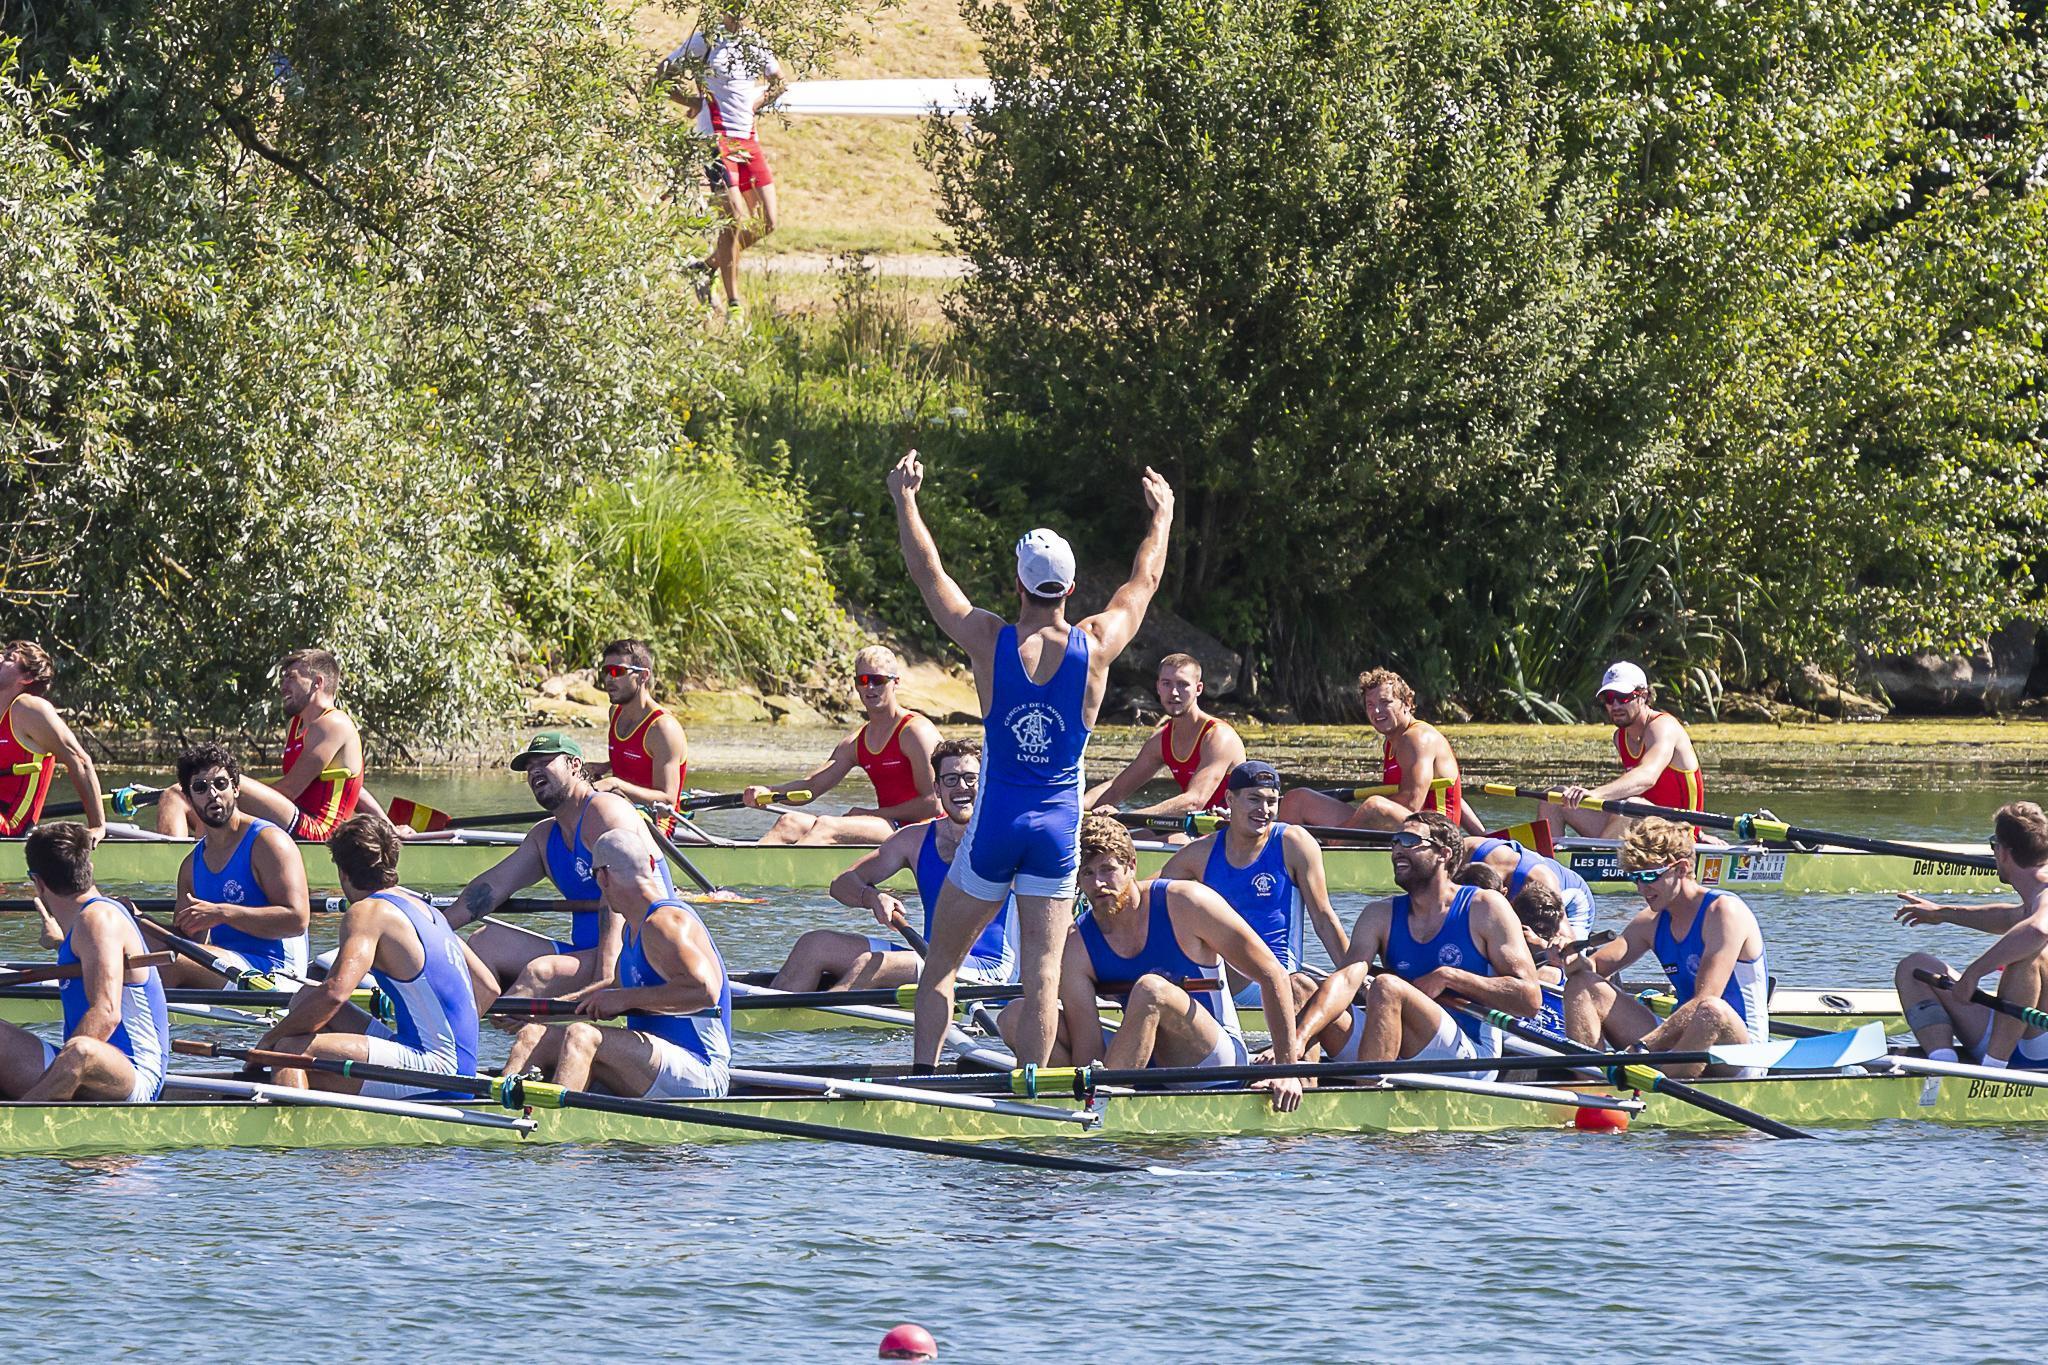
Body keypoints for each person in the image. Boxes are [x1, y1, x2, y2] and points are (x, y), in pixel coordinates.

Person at [889, 449, 1173, 1070]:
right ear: (1071, 589)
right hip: (1055, 833)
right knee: (1042, 976)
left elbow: (927, 573)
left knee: (941, 966)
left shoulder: (989, 639)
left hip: (996, 826)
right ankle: (1033, 1090)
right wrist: (1163, 518)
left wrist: (906, 500)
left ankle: (922, 1082)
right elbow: (1144, 582)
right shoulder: (1096, 644)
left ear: (1018, 584)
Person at [1004, 816, 1302, 1109]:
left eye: (1108, 870)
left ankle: (1103, 1107)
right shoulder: (1077, 944)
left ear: (1132, 866)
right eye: (1088, 873)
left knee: (1151, 990)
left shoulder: (1187, 902)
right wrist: (1083, 1082)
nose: (1098, 884)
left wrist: (1286, 1071)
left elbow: (1272, 974)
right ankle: (1083, 1108)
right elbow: (1087, 1049)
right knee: (1016, 1015)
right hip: (1143, 1063)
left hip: (1214, 1062)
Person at [1292, 812, 1541, 1081]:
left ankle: (1365, 1094)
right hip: (1396, 1040)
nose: (1397, 849)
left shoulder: (1486, 907)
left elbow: (1529, 1000)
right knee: (1300, 986)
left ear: (1443, 853)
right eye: (1395, 841)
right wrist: (1298, 1038)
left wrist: (1450, 977)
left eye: (1409, 841)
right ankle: (1296, 1080)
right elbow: (1347, 979)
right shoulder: (1379, 914)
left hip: (1469, 1055)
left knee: (1387, 987)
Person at [257, 814, 485, 1099]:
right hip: (458, 1067)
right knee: (306, 997)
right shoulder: (427, 911)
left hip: (437, 1070)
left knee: (288, 1051)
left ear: (342, 871)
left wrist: (268, 1041)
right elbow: (488, 986)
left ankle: (288, 1138)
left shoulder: (367, 912)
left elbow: (335, 994)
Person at [501, 827, 732, 1099]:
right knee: (534, 1035)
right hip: (657, 1064)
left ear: (603, 876)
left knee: (581, 1036)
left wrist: (624, 999)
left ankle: (555, 1133)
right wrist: (537, 1012)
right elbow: (608, 994)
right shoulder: (632, 928)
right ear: (647, 864)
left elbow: (704, 992)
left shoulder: (665, 924)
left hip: (701, 1068)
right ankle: (499, 1113)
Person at [770, 739, 1016, 992]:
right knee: (814, 945)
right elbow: (842, 884)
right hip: (930, 955)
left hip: (991, 969)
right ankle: (772, 1026)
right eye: (951, 779)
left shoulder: (1011, 840)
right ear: (938, 789)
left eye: (970, 778)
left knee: (873, 964)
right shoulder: (915, 839)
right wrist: (872, 897)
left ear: (985, 783)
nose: (961, 787)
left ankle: (817, 1023)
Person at [441, 733, 658, 998]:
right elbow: (490, 888)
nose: (534, 772)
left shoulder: (607, 812)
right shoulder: (544, 838)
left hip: (640, 954)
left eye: (544, 762)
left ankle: (511, 1012)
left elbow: (621, 891)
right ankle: (468, 1024)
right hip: (587, 954)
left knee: (540, 972)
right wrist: (431, 927)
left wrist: (605, 982)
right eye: (530, 768)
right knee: (484, 942)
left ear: (575, 765)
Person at [1557, 817, 1768, 1076]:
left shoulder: (1724, 912)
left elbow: (1705, 999)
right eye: (1634, 877)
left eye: (1649, 876)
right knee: (1582, 984)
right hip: (1685, 1042)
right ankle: (1592, 1088)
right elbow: (1595, 968)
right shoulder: (1651, 921)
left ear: (1681, 868)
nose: (1642, 888)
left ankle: (1658, 1095)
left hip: (1739, 1053)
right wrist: (1570, 959)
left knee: (1711, 1010)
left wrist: (1642, 1048)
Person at [0, 823, 168, 1101]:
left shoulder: (100, 919)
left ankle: (17, 1121)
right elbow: (90, 955)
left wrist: (60, 1071)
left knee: (81, 1050)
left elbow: (107, 1013)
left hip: (134, 1077)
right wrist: (59, 942)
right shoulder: (88, 922)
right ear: (87, 868)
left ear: (38, 882)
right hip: (81, 1070)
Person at [1158, 760, 1345, 1009]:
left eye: (1272, 801)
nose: (1264, 810)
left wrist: (1354, 979)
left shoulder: (1294, 843)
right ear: (1230, 799)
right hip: (1217, 977)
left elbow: (1324, 920)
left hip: (1276, 980)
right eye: (1254, 799)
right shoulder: (1199, 853)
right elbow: (1153, 906)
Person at [156, 648, 380, 840]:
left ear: (317, 683)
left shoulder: (332, 723)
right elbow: (353, 785)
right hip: (291, 819)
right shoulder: (297, 725)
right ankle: (175, 867)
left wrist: (232, 796)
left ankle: (206, 862)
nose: (283, 686)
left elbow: (290, 790)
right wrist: (387, 822)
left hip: (317, 832)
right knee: (176, 795)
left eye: (291, 678)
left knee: (216, 784)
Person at [1893, 801, 2048, 1069]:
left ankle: (1993, 1070)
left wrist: (1974, 973)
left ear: (2003, 852)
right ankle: (1943, 1066)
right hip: (2013, 1031)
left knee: (2030, 954)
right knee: (1913, 967)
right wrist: (1941, 913)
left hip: (2040, 1046)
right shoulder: (2035, 897)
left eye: (1993, 845)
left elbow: (2036, 931)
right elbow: (2008, 918)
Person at [743, 645, 943, 846]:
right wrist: (768, 791)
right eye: (863, 680)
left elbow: (933, 804)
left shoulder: (915, 732)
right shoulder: (855, 743)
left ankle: (788, 873)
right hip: (886, 825)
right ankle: (748, 871)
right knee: (790, 822)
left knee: (827, 826)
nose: (870, 687)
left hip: (927, 830)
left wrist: (870, 814)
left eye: (878, 680)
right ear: (856, 684)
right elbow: (811, 786)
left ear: (895, 682)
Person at [662, 10, 786, 323]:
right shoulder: (706, 40)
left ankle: (704, 269)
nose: (740, 10)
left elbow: (778, 82)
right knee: (732, 217)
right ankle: (734, 305)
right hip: (715, 139)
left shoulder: (753, 42)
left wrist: (757, 104)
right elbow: (662, 73)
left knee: (767, 221)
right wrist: (691, 102)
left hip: (747, 139)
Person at [166, 742, 312, 988]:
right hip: (231, 966)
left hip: (278, 972)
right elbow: (187, 938)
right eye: (201, 788)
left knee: (168, 963)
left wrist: (222, 913)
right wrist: (136, 919)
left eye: (220, 784)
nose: (212, 794)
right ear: (189, 798)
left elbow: (297, 920)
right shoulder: (190, 866)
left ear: (235, 788)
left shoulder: (269, 842)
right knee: (144, 952)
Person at [1277, 668, 1478, 834]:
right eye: (1370, 705)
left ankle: (1333, 845)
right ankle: (1283, 859)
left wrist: (1359, 819)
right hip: (1404, 825)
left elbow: (1411, 804)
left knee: (1374, 806)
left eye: (1385, 702)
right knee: (1296, 799)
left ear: (1406, 703)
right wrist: (1482, 834)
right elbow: (1454, 794)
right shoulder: (1393, 741)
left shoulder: (1416, 738)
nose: (1376, 712)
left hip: (1435, 834)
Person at [1540, 661, 1706, 840]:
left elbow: (1647, 777)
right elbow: (1634, 789)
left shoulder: (1664, 726)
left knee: (1631, 807)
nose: (1616, 705)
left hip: (1680, 836)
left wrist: (1596, 794)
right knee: (1554, 797)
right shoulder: (1620, 738)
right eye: (1609, 698)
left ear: (1643, 695)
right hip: (1647, 830)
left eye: (1623, 697)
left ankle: (1596, 860)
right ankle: (1548, 862)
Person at [1083, 654, 1245, 819]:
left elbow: (1194, 801)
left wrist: (1125, 817)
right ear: (1158, 687)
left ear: (1198, 689)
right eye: (1167, 684)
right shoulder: (1161, 741)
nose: (1174, 692)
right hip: (1194, 828)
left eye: (1183, 685)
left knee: (1152, 838)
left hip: (1231, 831)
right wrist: (1074, 805)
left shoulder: (1218, 737)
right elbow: (1116, 789)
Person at [0, 640, 107, 842]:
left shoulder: (29, 709)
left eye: (8, 658)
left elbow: (80, 761)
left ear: (27, 677)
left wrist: (98, 826)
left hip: (11, 826)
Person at [589, 639, 689, 837]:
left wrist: (615, 783)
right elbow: (638, 756)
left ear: (643, 676)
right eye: (606, 671)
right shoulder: (615, 713)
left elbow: (667, 800)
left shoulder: (662, 728)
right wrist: (604, 767)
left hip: (657, 826)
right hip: (619, 812)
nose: (609, 679)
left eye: (618, 672)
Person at [1464, 830, 1596, 939]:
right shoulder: (1467, 850)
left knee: (1567, 966)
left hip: (1573, 901)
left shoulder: (1541, 881)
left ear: (1504, 893)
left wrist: (1541, 944)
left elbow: (1568, 942)